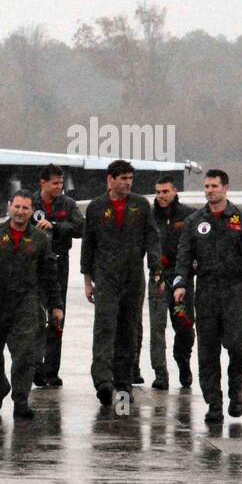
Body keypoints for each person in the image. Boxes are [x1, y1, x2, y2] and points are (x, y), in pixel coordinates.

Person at [172, 169, 242, 423]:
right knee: (207, 351)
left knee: (237, 346)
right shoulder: (194, 221)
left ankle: (236, 390)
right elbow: (184, 255)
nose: (210, 191)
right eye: (206, 186)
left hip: (233, 290)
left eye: (214, 186)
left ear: (225, 188)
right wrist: (180, 283)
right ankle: (214, 403)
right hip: (205, 291)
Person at [0, 189, 63, 418]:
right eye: (17, 206)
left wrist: (56, 306)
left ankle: (21, 400)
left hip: (26, 302)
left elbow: (50, 275)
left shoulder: (40, 239)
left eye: (25, 208)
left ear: (32, 211)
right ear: (10, 206)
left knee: (25, 353)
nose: (20, 211)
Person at [80, 159, 162, 407]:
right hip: (106, 277)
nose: (128, 183)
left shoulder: (141, 205)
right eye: (123, 178)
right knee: (105, 328)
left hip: (133, 277)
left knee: (128, 330)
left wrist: (156, 270)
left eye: (130, 179)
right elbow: (88, 244)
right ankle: (103, 381)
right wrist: (87, 280)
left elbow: (152, 239)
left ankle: (124, 383)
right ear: (110, 180)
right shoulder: (96, 207)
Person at [30, 164, 84, 387]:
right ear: (42, 183)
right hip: (34, 265)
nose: (59, 187)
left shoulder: (68, 204)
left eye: (61, 183)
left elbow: (80, 228)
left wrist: (55, 226)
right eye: (55, 183)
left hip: (60, 263)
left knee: (57, 314)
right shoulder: (30, 203)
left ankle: (51, 370)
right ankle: (36, 366)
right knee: (36, 315)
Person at [147, 174, 196, 390]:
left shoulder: (190, 216)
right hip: (158, 278)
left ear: (175, 192)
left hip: (181, 278)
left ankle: (182, 359)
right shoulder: (149, 216)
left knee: (184, 327)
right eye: (158, 192)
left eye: (165, 192)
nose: (161, 196)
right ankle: (160, 374)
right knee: (157, 328)